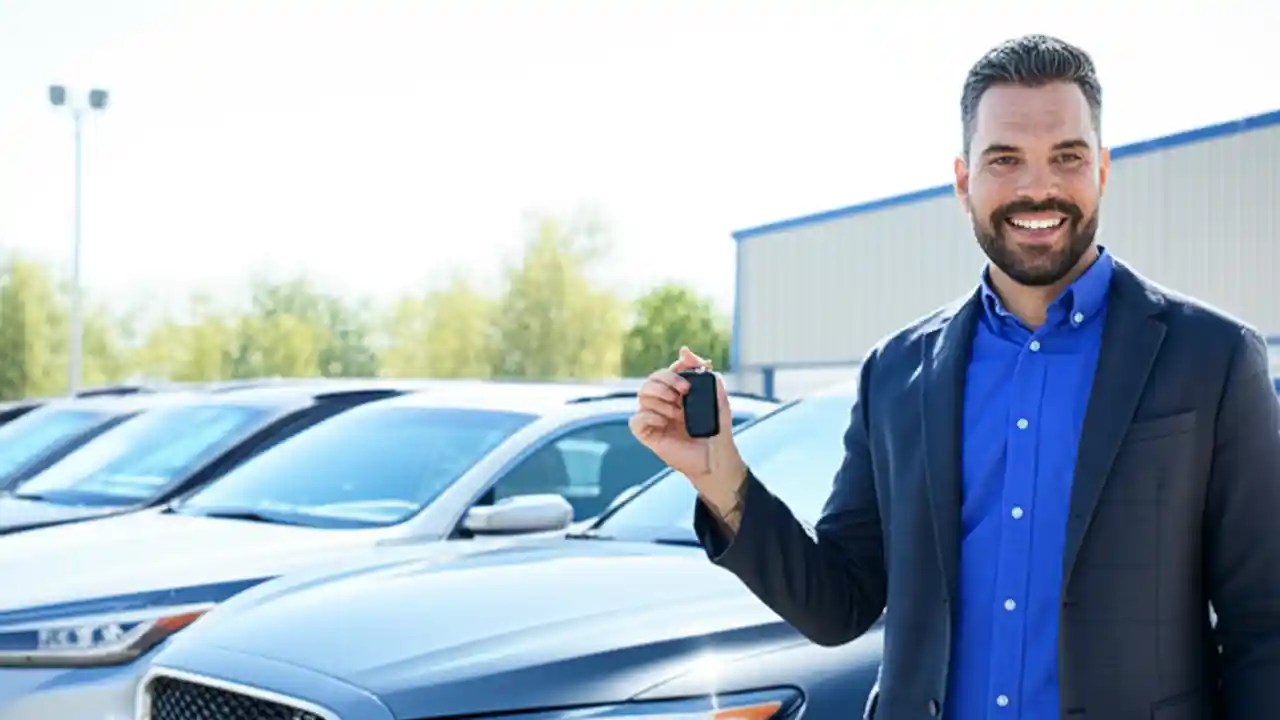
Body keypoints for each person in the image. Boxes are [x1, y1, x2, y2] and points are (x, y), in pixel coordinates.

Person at [629, 33, 1280, 720]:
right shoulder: (896, 372)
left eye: (1067, 157)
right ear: (964, 179)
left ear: (1103, 171)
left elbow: (1265, 625)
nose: (1038, 186)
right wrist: (719, 477)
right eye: (1006, 159)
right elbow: (839, 604)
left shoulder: (1211, 360)